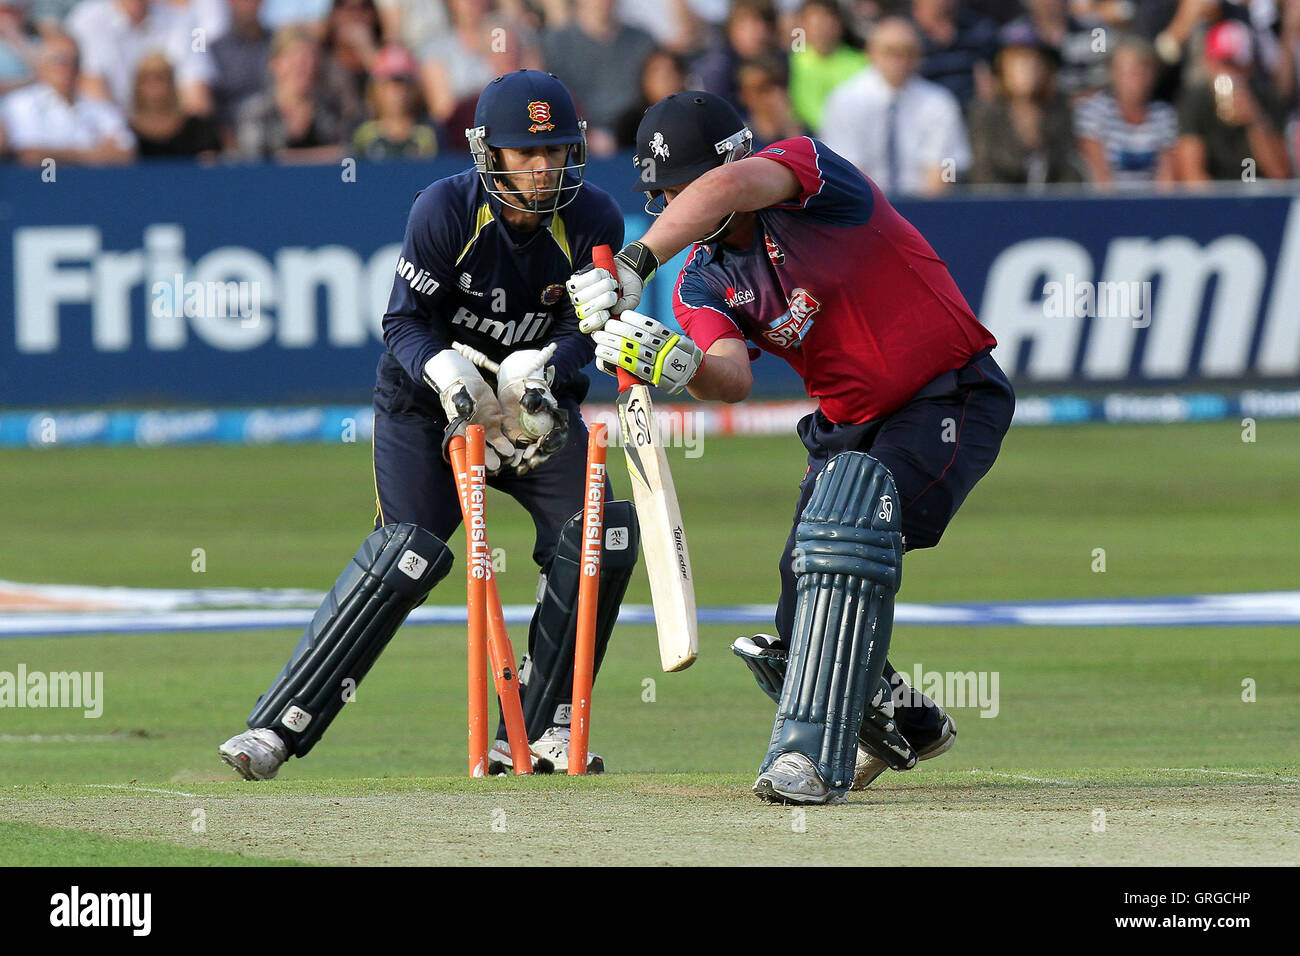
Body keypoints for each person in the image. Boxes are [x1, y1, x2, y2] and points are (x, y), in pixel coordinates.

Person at [567, 91, 1014, 804]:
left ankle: (806, 762)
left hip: (947, 395)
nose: (672, 210)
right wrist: (673, 364)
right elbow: (732, 378)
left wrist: (632, 262)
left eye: (679, 190)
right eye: (660, 198)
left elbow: (729, 187)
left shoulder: (805, 176)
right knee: (802, 608)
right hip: (846, 428)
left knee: (847, 530)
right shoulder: (703, 278)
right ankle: (910, 722)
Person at [219, 70, 633, 781]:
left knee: (600, 532)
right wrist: (446, 373)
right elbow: (403, 322)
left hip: (529, 407)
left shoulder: (596, 219)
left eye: (556, 152)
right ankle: (276, 728)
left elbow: (586, 332)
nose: (542, 169)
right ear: (489, 154)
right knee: (404, 553)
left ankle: (533, 732)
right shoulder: (444, 210)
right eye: (525, 155)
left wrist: (543, 371)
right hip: (429, 401)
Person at [820, 17, 969, 195]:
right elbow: (846, 172)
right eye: (890, 51)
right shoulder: (845, 100)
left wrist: (925, 213)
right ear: (871, 53)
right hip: (862, 209)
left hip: (923, 210)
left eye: (908, 51)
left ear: (919, 56)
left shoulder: (939, 102)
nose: (900, 60)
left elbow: (943, 172)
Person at [968, 22, 1081, 185]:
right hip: (1000, 206)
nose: (1027, 69)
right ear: (1002, 68)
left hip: (1053, 205)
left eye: (1034, 61)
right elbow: (982, 175)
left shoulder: (1059, 109)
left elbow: (1068, 170)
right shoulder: (984, 114)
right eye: (1017, 61)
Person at [1, 30, 135, 165]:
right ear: (41, 64)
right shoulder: (19, 103)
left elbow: (127, 152)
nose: (68, 67)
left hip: (91, 183)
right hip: (43, 182)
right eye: (59, 59)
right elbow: (30, 156)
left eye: (74, 60)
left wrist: (57, 154)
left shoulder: (98, 106)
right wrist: (94, 154)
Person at [1074, 35, 1178, 187]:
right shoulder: (1093, 112)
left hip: (1153, 205)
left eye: (1142, 70)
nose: (1136, 78)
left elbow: (1167, 178)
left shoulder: (1164, 114)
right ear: (1113, 73)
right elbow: (1099, 176)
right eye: (1128, 71)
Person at [350, 43, 437, 160]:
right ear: (375, 90)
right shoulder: (362, 133)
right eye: (387, 85)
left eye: (402, 84)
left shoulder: (429, 133)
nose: (397, 93)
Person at [129, 50, 221, 158]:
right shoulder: (125, 134)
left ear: (172, 83)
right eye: (146, 80)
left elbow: (211, 167)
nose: (154, 86)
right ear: (137, 86)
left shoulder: (199, 129)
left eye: (160, 78)